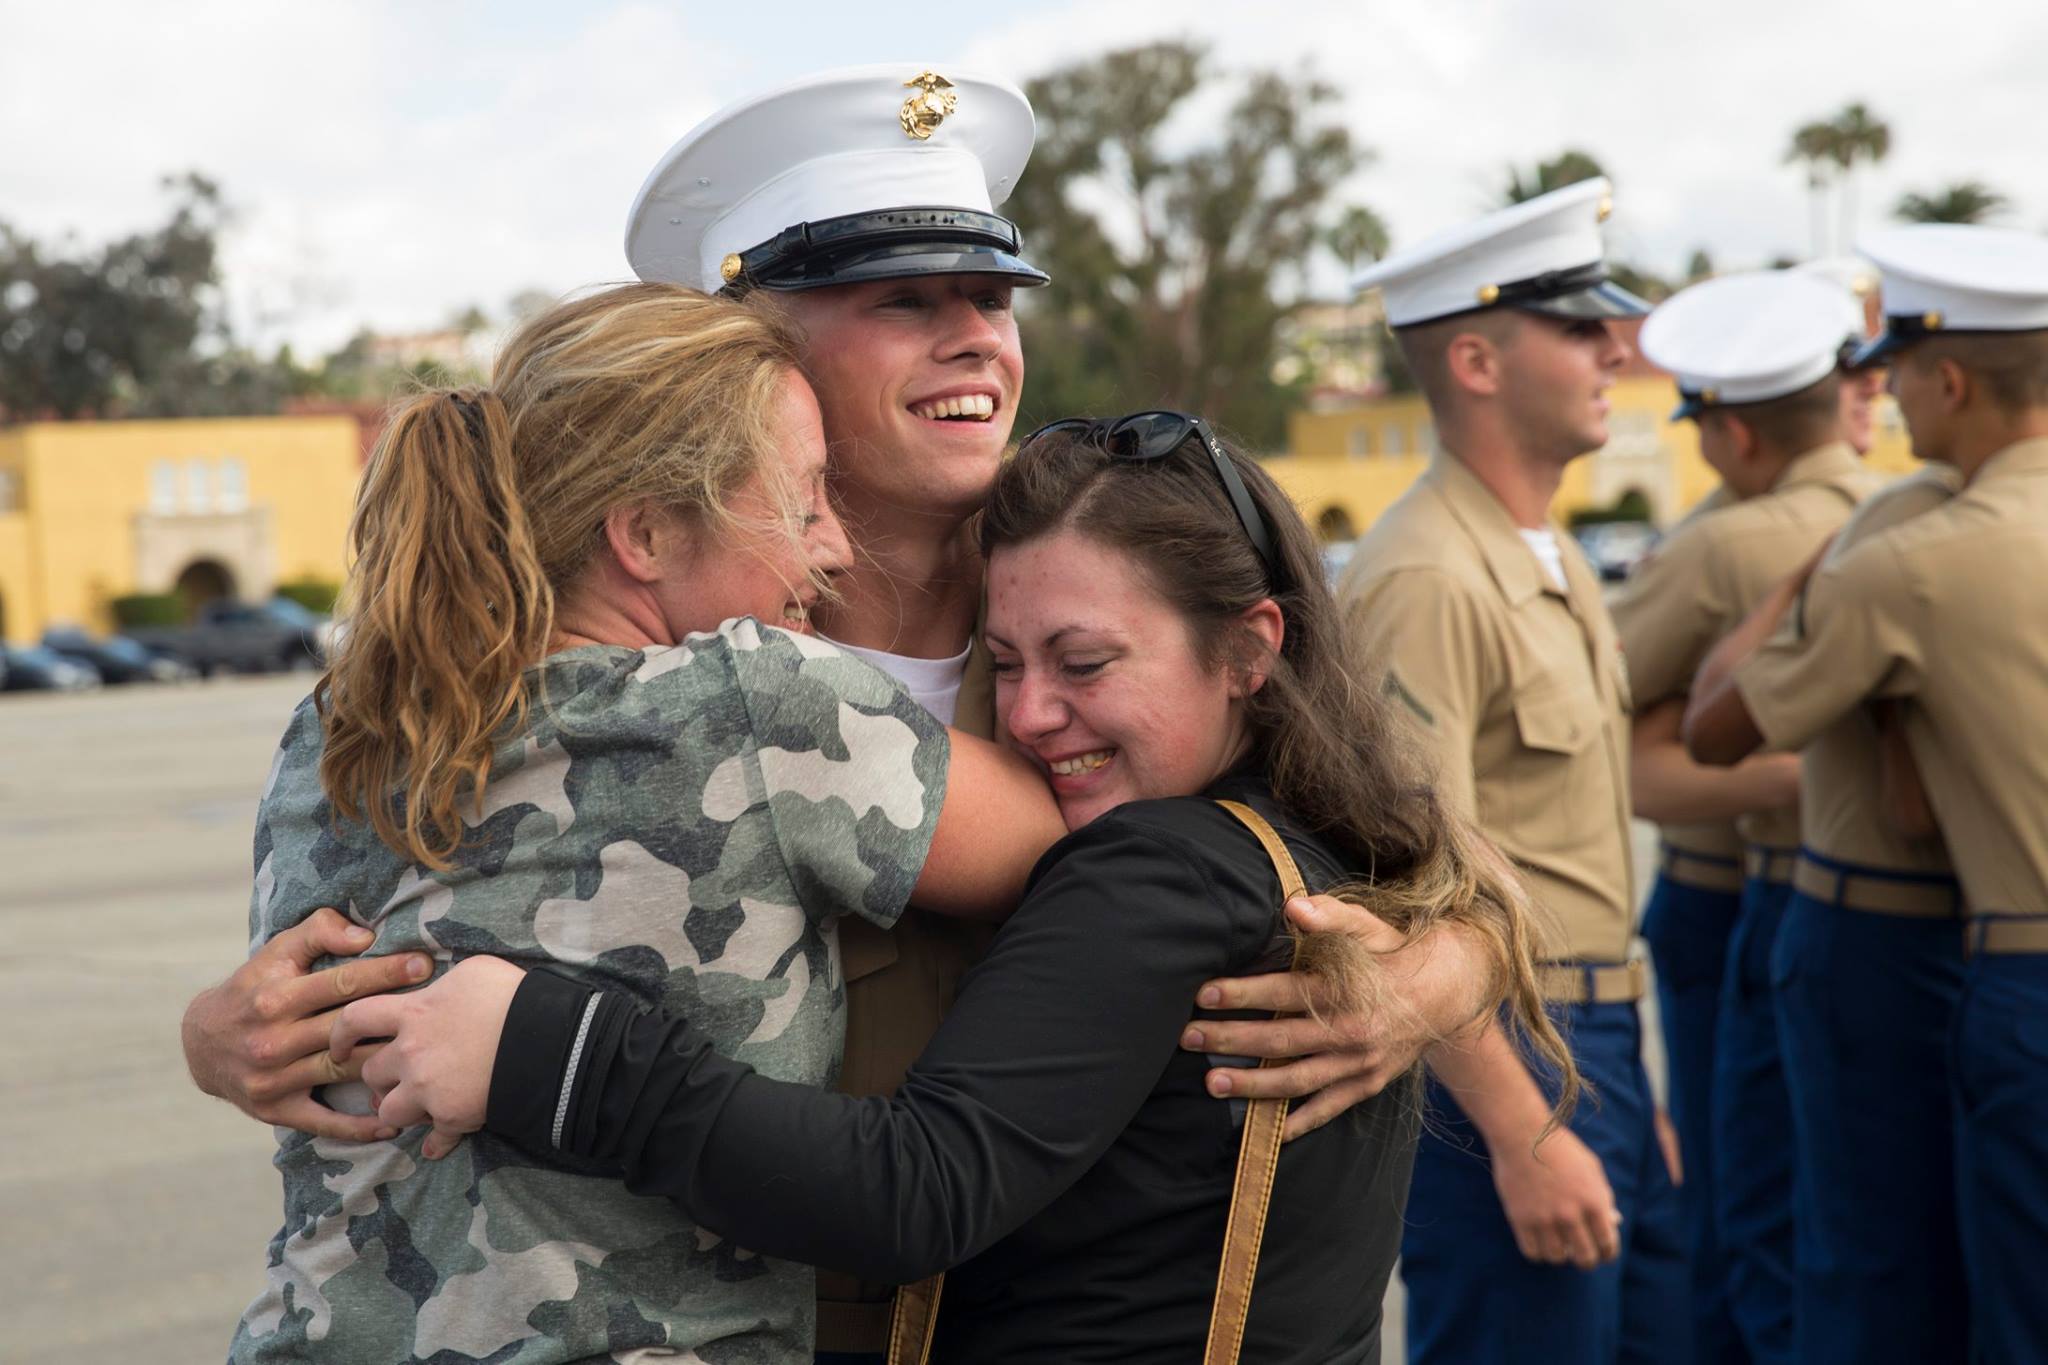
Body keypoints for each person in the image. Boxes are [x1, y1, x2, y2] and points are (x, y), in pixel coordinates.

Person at [181, 64, 1497, 1362]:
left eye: (992, 296)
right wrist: (221, 1036)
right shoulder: (694, 681)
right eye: (905, 301)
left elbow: (1384, 829)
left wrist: (1432, 976)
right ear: (759, 350)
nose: (976, 335)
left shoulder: (1104, 576)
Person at [327, 412, 1573, 1364]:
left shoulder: (1157, 864)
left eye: (1084, 662)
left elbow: (913, 1190)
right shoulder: (1317, 834)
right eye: (1008, 660)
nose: (1031, 715)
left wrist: (551, 1049)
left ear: (1250, 648)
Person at [228, 281, 1071, 1363]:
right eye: (802, 502)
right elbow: (1078, 849)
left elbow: (277, 1025)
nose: (833, 551)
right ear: (646, 533)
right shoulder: (751, 704)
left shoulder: (329, 731)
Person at [1340, 178, 1690, 1365]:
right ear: (1478, 362)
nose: (1612, 349)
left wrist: (1622, 1088)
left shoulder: (1538, 550)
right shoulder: (1428, 575)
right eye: (1580, 326)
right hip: (1508, 1055)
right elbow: (1403, 898)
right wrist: (1522, 1129)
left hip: (1594, 1040)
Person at [1686, 222, 2048, 1364]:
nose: (1881, 396)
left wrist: (1821, 567)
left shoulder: (1908, 558)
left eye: (1893, 370)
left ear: (1946, 379)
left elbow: (1713, 727)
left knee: (1945, 1291)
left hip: (2013, 971)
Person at [1612, 269, 1889, 1364]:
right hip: (1871, 913)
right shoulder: (1889, 518)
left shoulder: (1723, 541)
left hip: (1731, 897)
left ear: (1728, 433)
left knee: (1747, 1223)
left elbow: (1596, 692)